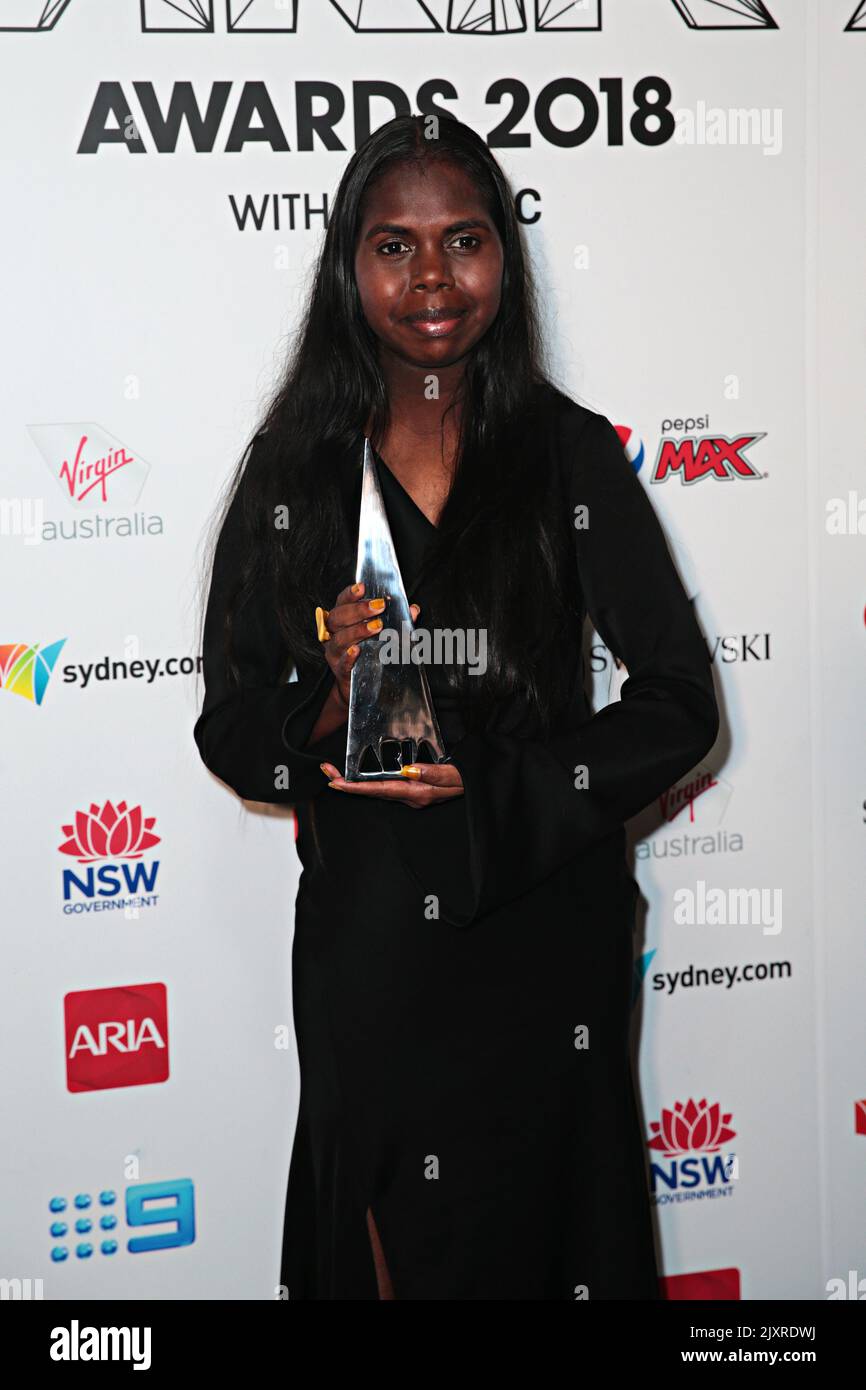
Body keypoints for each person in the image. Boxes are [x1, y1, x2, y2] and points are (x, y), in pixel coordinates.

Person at [193, 112, 719, 1301]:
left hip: (540, 932)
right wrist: (324, 706)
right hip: (371, 946)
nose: (431, 278)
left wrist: (501, 784)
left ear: (504, 257)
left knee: (545, 1249)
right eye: (394, 245)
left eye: (463, 240)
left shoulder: (569, 457)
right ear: (347, 266)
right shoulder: (293, 469)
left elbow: (680, 704)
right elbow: (231, 723)